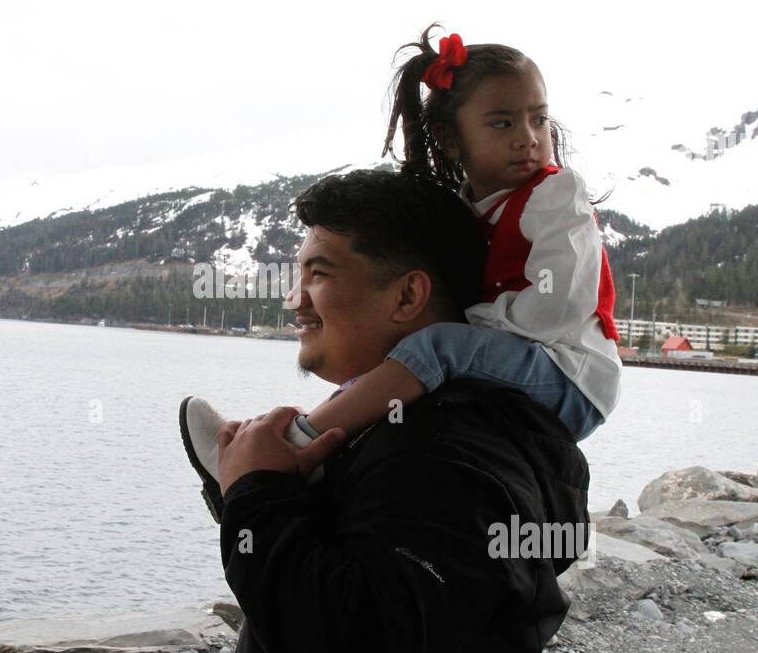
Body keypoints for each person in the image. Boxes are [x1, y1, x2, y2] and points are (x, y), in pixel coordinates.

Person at [191, 168, 591, 653]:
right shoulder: (408, 428)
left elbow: (366, 650)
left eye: (319, 274)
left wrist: (258, 494)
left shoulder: (443, 456)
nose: (295, 301)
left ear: (407, 296)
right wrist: (258, 489)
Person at [181, 26, 621, 500]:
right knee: (385, 373)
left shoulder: (557, 195)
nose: (528, 139)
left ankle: (293, 443)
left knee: (436, 349)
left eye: (538, 120)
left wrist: (463, 330)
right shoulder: (474, 206)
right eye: (503, 123)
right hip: (525, 365)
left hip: (570, 375)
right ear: (450, 140)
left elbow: (559, 308)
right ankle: (296, 458)